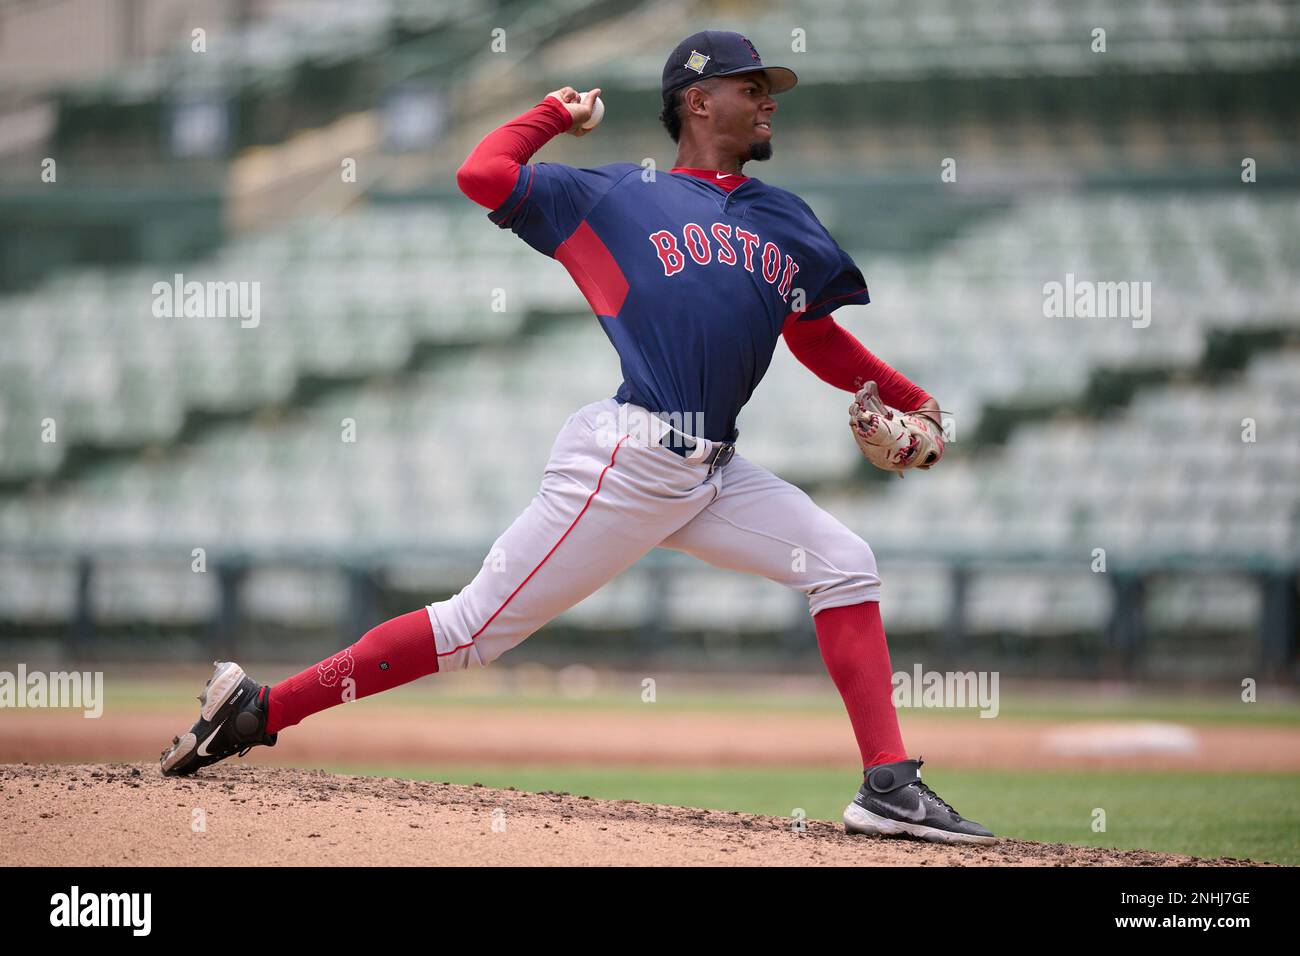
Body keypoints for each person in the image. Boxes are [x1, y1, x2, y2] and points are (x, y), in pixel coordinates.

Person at [159, 30, 996, 846]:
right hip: (629, 458)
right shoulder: (615, 194)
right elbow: (482, 173)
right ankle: (258, 710)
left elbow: (812, 335)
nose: (769, 100)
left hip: (712, 472)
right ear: (697, 102)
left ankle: (888, 786)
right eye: (753, 87)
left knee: (845, 562)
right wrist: (554, 112)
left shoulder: (785, 218)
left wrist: (918, 403)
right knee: (470, 632)